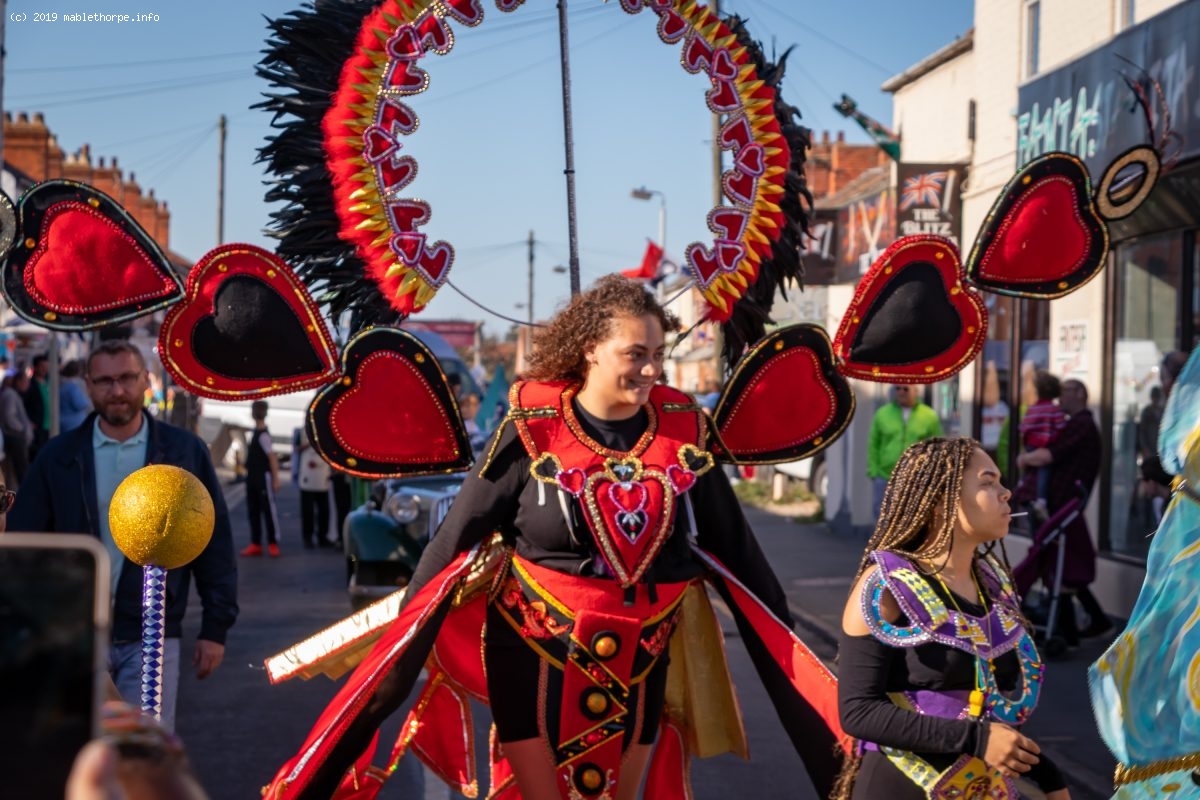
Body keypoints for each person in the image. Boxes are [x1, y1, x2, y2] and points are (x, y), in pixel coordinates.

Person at [266, 275, 842, 799]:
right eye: (634, 355)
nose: (650, 371)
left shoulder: (685, 433)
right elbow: (454, 539)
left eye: (657, 356)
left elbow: (737, 551)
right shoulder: (530, 432)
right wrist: (400, 643)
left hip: (642, 660)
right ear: (590, 350)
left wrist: (793, 651)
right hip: (534, 655)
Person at [8, 340, 238, 732]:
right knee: (77, 755)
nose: (117, 391)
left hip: (151, 633)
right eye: (105, 381)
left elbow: (214, 544)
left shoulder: (182, 453)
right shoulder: (59, 455)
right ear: (88, 385)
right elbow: (26, 541)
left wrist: (215, 628)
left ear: (145, 380)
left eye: (127, 378)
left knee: (145, 755)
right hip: (74, 634)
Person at [835, 437, 1069, 800]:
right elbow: (858, 711)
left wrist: (1047, 775)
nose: (1006, 493)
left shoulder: (993, 584)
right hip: (902, 786)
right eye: (988, 482)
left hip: (982, 787)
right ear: (942, 502)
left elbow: (989, 708)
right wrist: (977, 739)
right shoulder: (886, 586)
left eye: (1001, 481)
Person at [1016, 379, 1109, 641]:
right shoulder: (1070, 423)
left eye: (1066, 391)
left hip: (1060, 507)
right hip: (1058, 506)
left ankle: (1077, 626)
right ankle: (1073, 626)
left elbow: (1048, 455)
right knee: (1058, 564)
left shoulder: (1081, 425)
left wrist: (1023, 458)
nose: (1060, 398)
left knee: (1058, 563)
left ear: (1081, 393)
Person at [867, 385, 944, 516]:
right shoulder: (882, 414)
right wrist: (873, 471)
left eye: (905, 389)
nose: (901, 392)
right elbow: (873, 443)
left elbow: (938, 446)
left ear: (916, 391)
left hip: (916, 477)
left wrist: (932, 473)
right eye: (898, 388)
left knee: (912, 517)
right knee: (883, 517)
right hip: (885, 476)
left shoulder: (929, 416)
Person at [1017, 370, 1065, 520]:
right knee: (1045, 471)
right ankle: (1041, 500)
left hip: (1032, 443)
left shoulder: (1032, 408)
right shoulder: (1054, 409)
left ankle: (1022, 483)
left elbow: (1025, 428)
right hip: (1046, 444)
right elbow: (1061, 426)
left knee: (1030, 468)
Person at [241, 399, 283, 557]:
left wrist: (275, 478)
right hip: (252, 475)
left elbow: (272, 457)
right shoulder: (256, 432)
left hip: (262, 476)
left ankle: (273, 542)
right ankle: (256, 542)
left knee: (267, 510)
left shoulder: (263, 435)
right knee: (253, 510)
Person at [294, 426, 332, 549]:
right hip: (307, 474)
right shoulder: (301, 432)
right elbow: (296, 448)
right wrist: (309, 443)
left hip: (322, 474)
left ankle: (322, 536)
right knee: (307, 510)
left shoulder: (326, 429)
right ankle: (308, 537)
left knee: (323, 510)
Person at [0, 372, 32, 487]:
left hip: (14, 436)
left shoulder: (11, 394)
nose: (27, 384)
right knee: (20, 469)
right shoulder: (10, 395)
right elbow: (9, 417)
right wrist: (23, 428)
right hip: (15, 437)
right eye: (25, 381)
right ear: (18, 382)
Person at [23, 354, 51, 455]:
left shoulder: (50, 382)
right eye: (42, 367)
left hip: (50, 425)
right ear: (35, 367)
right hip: (38, 426)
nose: (45, 370)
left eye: (46, 367)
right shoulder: (30, 385)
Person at [60, 358, 93, 432]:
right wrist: (88, 400)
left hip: (63, 420)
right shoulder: (73, 386)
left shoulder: (62, 384)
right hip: (74, 422)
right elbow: (80, 404)